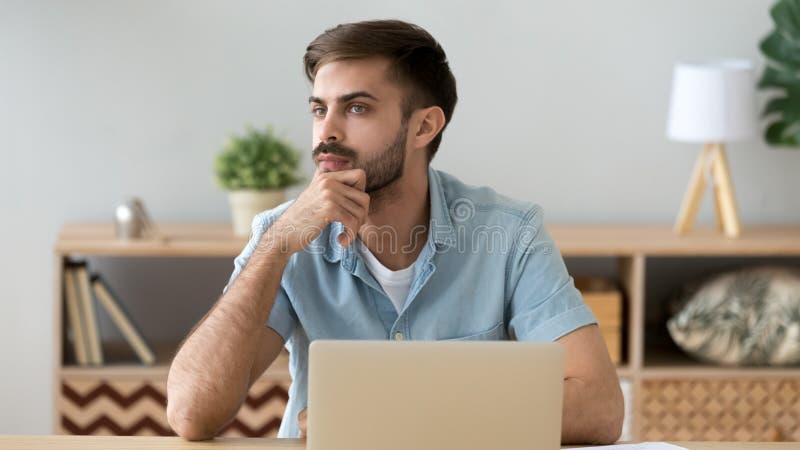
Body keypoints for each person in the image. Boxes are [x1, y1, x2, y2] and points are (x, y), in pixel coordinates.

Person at [166, 19, 623, 444]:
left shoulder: (508, 234)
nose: (327, 132)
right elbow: (191, 414)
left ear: (424, 126)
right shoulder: (285, 236)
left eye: (357, 108)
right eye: (319, 109)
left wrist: (382, 416)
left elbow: (599, 407)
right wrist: (276, 246)